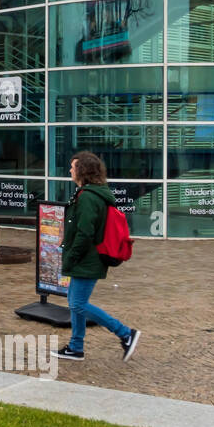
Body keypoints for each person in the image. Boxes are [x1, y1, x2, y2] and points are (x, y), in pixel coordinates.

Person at [54, 151, 141, 362]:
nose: (70, 170)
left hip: (87, 258)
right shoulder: (92, 193)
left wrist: (71, 256)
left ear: (82, 171)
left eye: (73, 167)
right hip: (87, 257)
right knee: (75, 301)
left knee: (77, 304)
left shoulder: (88, 197)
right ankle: (76, 346)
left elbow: (85, 232)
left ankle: (125, 333)